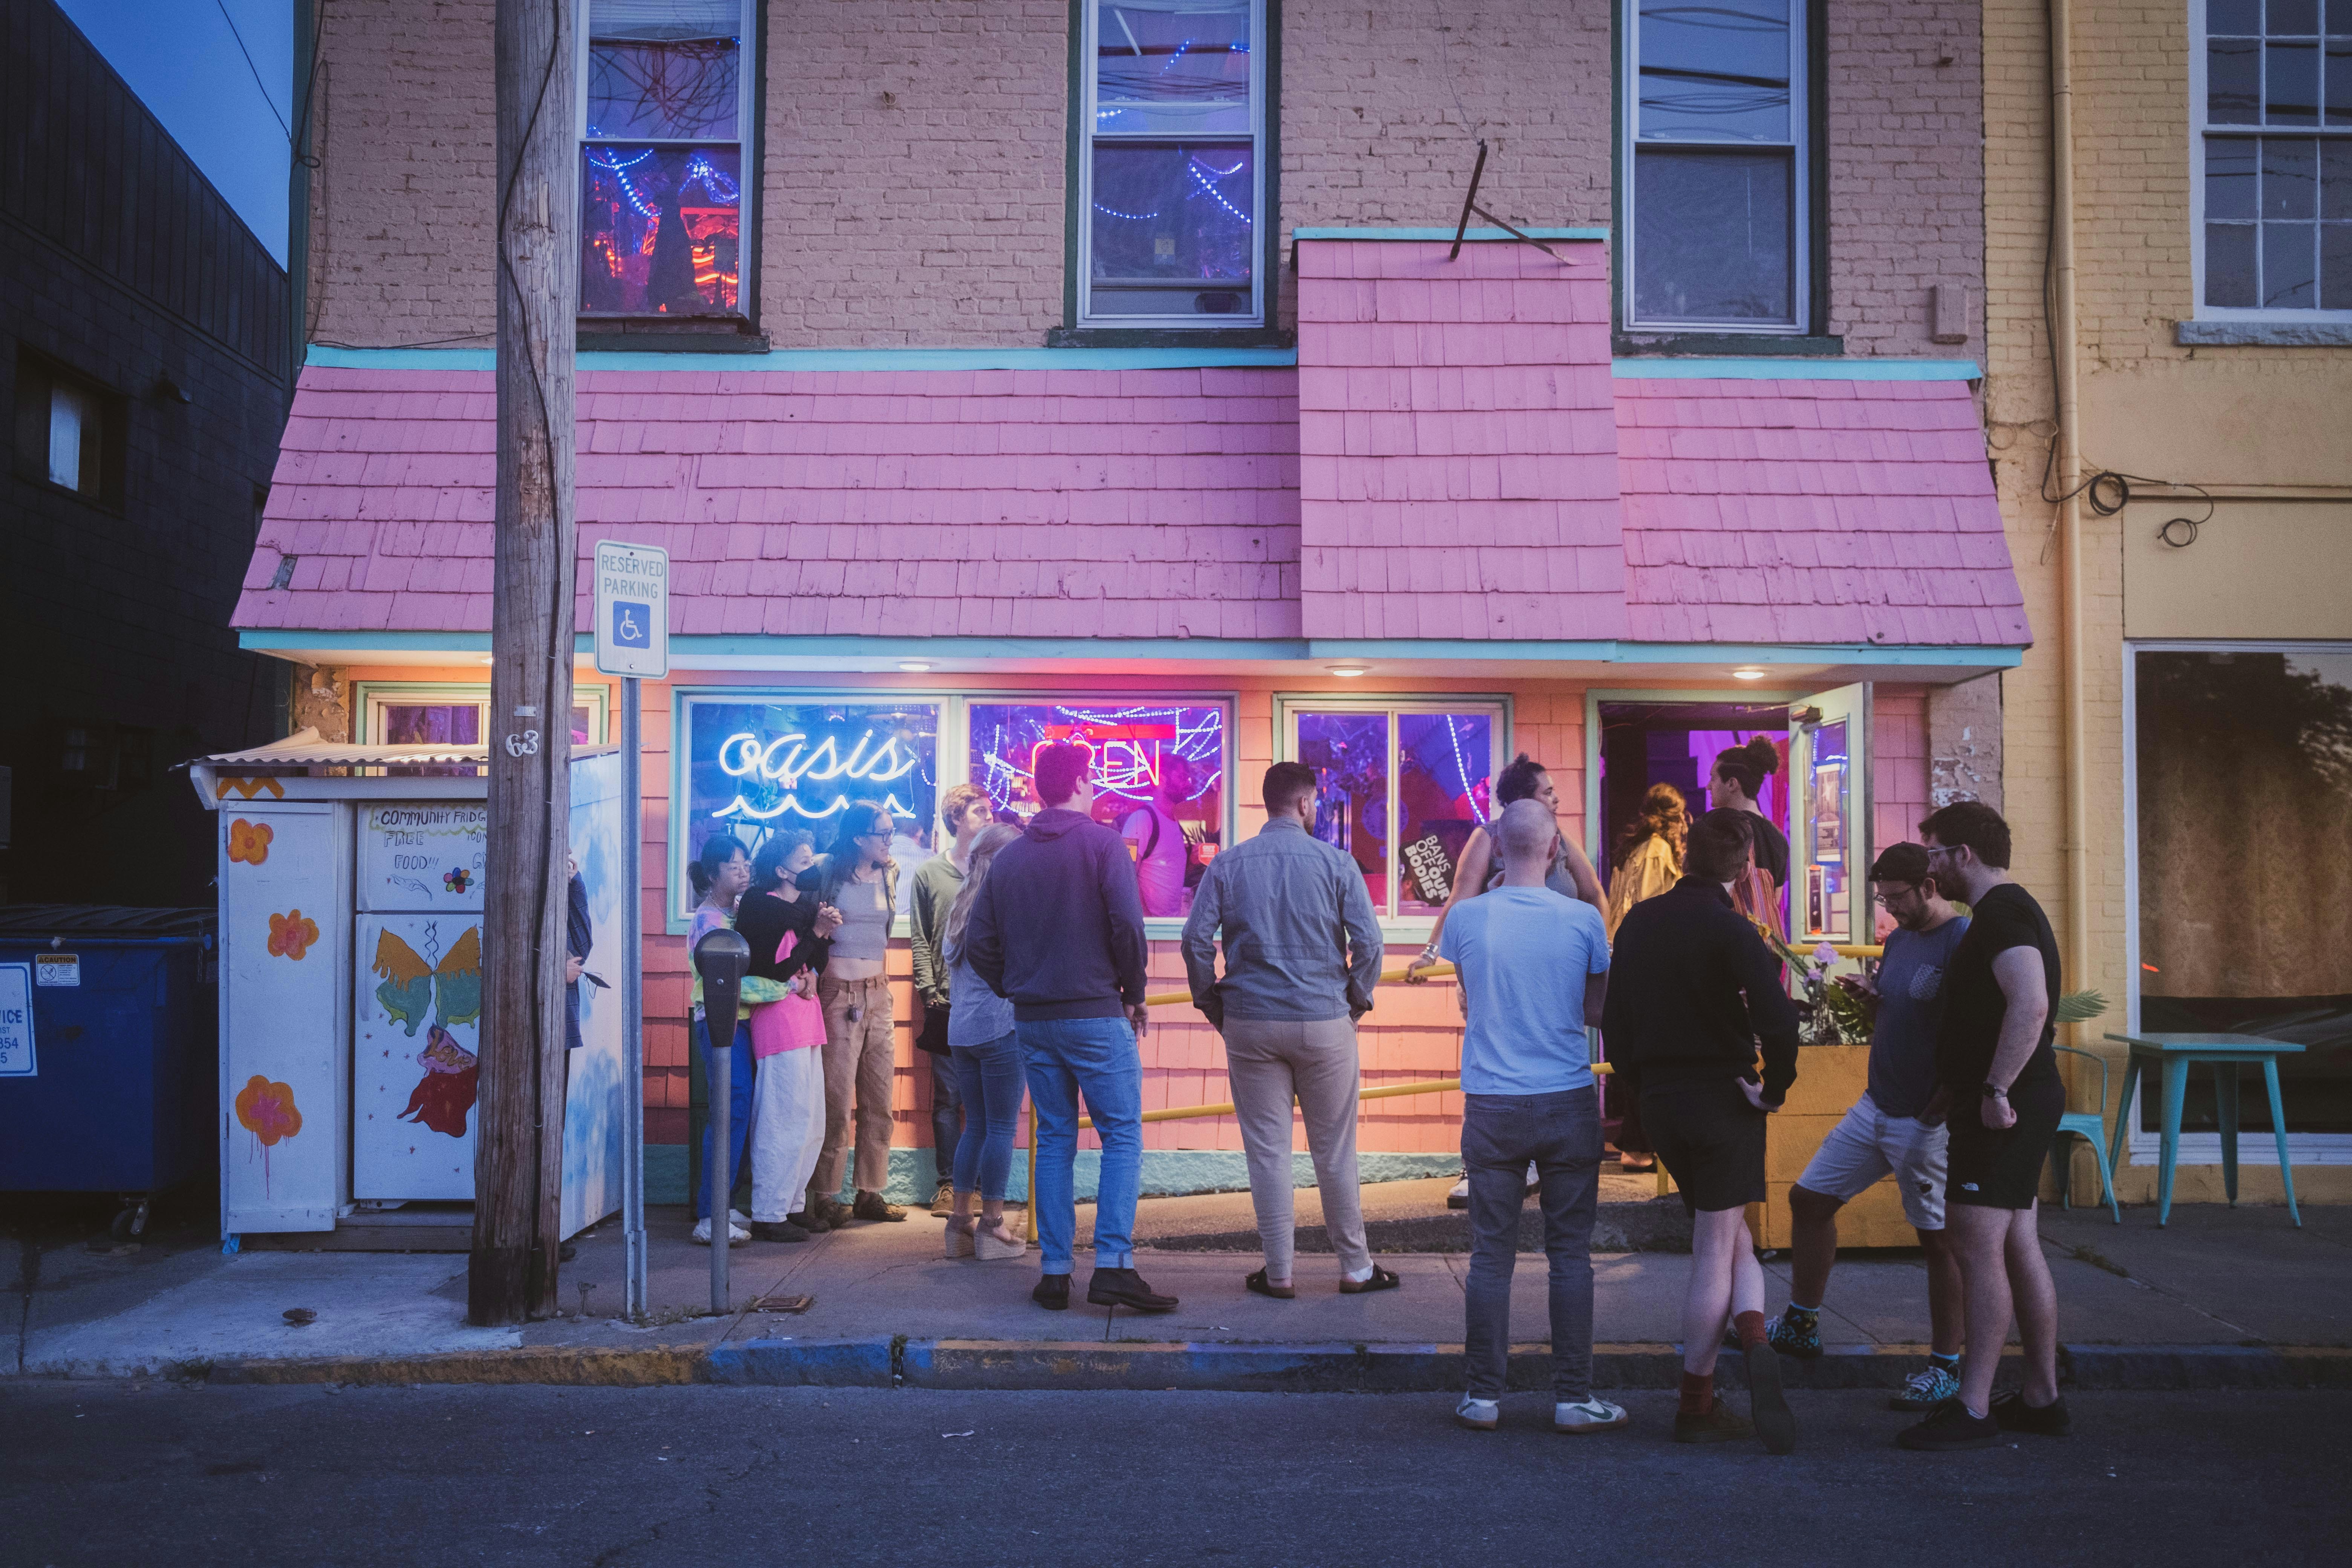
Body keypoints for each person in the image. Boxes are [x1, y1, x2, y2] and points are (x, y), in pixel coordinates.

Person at [1603, 807, 1801, 1453]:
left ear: (1685, 858)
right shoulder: (1735, 931)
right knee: (1716, 1246)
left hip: (1663, 1103)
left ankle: (1754, 1337)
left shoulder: (1639, 922)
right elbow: (1778, 1018)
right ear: (1743, 867)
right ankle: (1697, 1403)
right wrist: (1773, 1089)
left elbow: (1615, 1021)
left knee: (1730, 1231)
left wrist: (1639, 1086)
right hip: (1724, 1101)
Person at [1438, 798, 1628, 1436]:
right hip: (1567, 1098)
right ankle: (1574, 1398)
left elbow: (1474, 994)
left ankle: (1482, 1398)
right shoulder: (1582, 921)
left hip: (1492, 1103)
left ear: (1495, 848)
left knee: (1491, 1254)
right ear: (1555, 851)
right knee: (1570, 1255)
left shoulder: (1466, 920)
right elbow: (1598, 1012)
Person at [966, 739, 1174, 1314]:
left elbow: (976, 943)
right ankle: (1113, 1265)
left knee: (1055, 1139)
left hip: (1035, 1019)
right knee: (1122, 1136)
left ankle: (1055, 1272)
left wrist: (1015, 983)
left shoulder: (1009, 858)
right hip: (1096, 1013)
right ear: (1083, 783)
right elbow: (1128, 928)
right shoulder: (1104, 845)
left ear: (1036, 787)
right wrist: (1134, 993)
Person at [1770, 843, 1970, 1413]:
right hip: (1876, 1103)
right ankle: (1803, 1325)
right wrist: (1873, 999)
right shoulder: (1902, 939)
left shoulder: (1960, 943)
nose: (1890, 910)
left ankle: (1946, 1367)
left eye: (1897, 898)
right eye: (1883, 898)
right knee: (1809, 1200)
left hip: (1924, 1117)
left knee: (1938, 1241)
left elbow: (1971, 1031)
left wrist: (1942, 1107)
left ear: (1930, 887)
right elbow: (1902, 1014)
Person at [1181, 761, 1389, 1298]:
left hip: (1250, 1022)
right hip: (1324, 1021)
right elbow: (1370, 945)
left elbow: (1194, 942)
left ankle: (1279, 1274)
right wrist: (1354, 1003)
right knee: (1335, 1151)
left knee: (1268, 1152)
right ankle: (1357, 1269)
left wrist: (1214, 1006)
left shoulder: (1227, 865)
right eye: (1315, 802)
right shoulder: (1337, 863)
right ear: (1303, 804)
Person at [1899, 801, 2071, 1451]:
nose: (1931, 866)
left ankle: (1972, 1406)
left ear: (1963, 855)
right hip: (2007, 1101)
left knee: (1976, 1247)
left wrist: (1996, 1089)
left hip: (2007, 1105)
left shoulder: (2002, 915)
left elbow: (2030, 1002)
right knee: (2016, 1243)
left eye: (1934, 853)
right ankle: (2042, 1395)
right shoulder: (2005, 912)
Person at [1404, 752, 1605, 1210]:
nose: (1556, 797)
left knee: (1541, 1053)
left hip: (1554, 970)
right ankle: (1481, 1165)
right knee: (1495, 1054)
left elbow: (1594, 893)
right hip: (1497, 965)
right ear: (1522, 800)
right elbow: (1460, 895)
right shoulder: (1488, 837)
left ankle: (1534, 1157)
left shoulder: (1561, 839)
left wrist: (1604, 945)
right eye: (1547, 791)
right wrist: (1431, 951)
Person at [799, 801, 906, 1228]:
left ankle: (870, 1191)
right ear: (859, 837)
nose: (889, 840)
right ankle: (824, 1194)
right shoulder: (825, 869)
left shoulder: (890, 870)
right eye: (882, 832)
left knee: (880, 1096)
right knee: (836, 1096)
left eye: (891, 831)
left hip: (879, 992)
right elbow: (800, 923)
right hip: (837, 993)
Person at [737, 829, 841, 1243]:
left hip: (806, 1016)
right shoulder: (761, 908)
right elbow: (774, 970)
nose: (811, 867)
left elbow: (814, 960)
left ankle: (793, 1203)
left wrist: (819, 948)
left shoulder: (806, 908)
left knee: (810, 1116)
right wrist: (815, 933)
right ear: (781, 870)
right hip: (778, 1017)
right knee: (782, 1114)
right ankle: (768, 1209)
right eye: (803, 861)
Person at [940, 823, 1031, 1262]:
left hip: (962, 1030)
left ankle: (960, 1221)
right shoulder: (1005, 905)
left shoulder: (961, 901)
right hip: (999, 1027)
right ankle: (992, 1226)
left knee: (975, 1125)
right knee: (999, 1128)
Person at [911, 784, 992, 1216]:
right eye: (980, 811)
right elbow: (921, 936)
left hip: (989, 999)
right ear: (957, 818)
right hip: (945, 999)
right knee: (947, 1096)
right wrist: (929, 989)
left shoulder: (998, 868)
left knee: (982, 1098)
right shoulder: (930, 873)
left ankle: (978, 1186)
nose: (989, 817)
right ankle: (948, 1185)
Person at [1601, 783, 1686, 1173]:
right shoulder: (1657, 850)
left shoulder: (1633, 847)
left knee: (1634, 1055)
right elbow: (1653, 908)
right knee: (1653, 1057)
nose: (1686, 824)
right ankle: (1640, 1145)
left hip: (1624, 957)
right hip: (1649, 962)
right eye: (1682, 815)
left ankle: (1634, 1140)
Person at [687, 834, 756, 1246]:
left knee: (738, 1108)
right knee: (729, 1109)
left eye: (746, 863)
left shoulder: (733, 914)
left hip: (740, 1022)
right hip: (718, 1022)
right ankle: (710, 1216)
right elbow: (727, 981)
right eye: (734, 866)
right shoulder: (709, 922)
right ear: (713, 874)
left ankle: (720, 1201)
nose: (743, 871)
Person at [1709, 737, 1789, 936]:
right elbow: (1775, 899)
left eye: (1713, 778)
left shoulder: (1725, 829)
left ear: (1732, 784)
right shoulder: (1777, 837)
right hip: (1765, 948)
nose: (1708, 787)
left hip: (1731, 943)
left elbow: (1711, 896)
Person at [1121, 752, 1196, 917]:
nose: (1187, 784)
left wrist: (1192, 860)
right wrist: (1146, 919)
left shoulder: (1174, 822)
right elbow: (1126, 875)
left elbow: (1170, 871)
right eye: (1182, 777)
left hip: (1170, 927)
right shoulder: (1142, 820)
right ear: (1162, 780)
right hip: (1151, 930)